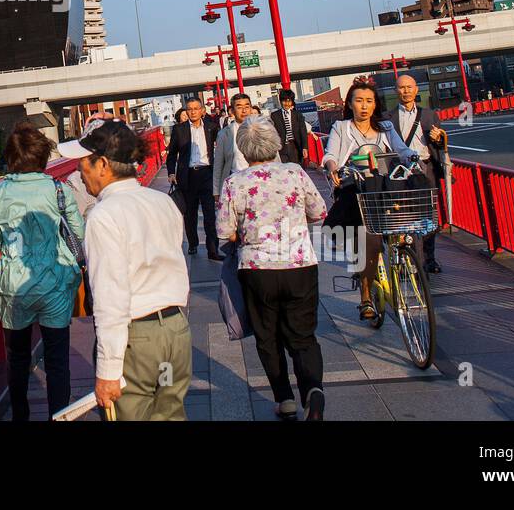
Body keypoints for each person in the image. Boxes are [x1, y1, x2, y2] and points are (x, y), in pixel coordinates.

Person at [62, 121, 191, 421]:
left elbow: (110, 297)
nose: (80, 172)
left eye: (84, 163)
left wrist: (107, 371)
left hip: (137, 343)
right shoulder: (162, 202)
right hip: (173, 335)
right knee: (170, 411)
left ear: (103, 164)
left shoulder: (103, 216)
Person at [217, 116, 328, 420]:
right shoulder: (294, 173)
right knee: (303, 336)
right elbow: (319, 211)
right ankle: (312, 391)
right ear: (276, 143)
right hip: (300, 264)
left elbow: (224, 230)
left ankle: (285, 399)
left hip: (257, 269)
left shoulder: (234, 183)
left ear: (243, 148)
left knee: (268, 336)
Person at [0, 122, 84, 421]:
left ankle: (21, 417)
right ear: (42, 157)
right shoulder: (58, 189)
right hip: (53, 281)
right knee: (57, 359)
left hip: (13, 285)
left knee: (17, 358)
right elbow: (78, 232)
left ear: (10, 158)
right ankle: (60, 416)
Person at [321, 78, 417, 321]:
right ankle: (365, 295)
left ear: (375, 105)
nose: (364, 106)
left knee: (405, 224)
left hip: (384, 187)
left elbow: (401, 149)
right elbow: (331, 154)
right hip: (356, 189)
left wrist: (412, 157)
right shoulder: (341, 128)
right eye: (359, 101)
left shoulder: (385, 127)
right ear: (350, 104)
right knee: (371, 242)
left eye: (369, 101)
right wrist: (332, 165)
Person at [392, 74, 449, 273]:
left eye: (409, 87)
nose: (405, 91)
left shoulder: (429, 115)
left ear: (416, 90)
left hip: (426, 169)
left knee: (428, 217)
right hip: (401, 171)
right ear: (395, 91)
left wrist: (438, 139)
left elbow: (440, 145)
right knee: (402, 216)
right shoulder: (388, 118)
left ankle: (429, 259)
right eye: (401, 87)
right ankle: (407, 259)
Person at [165, 98, 221, 260]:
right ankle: (193, 243)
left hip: (207, 174)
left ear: (202, 110)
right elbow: (171, 155)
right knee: (190, 215)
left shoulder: (212, 127)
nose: (193, 111)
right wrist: (171, 172)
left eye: (196, 108)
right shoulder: (179, 129)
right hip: (187, 176)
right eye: (190, 109)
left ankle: (213, 250)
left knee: (210, 214)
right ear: (186, 111)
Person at [212, 93, 255, 193]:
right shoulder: (224, 134)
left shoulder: (261, 129)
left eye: (247, 107)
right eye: (239, 107)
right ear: (232, 111)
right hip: (236, 184)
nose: (244, 111)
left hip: (259, 181)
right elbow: (218, 164)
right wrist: (216, 190)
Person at [270, 88, 311, 166]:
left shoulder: (297, 115)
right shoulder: (274, 115)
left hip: (295, 147)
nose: (287, 103)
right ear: (280, 101)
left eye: (289, 101)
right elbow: (272, 132)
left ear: (292, 102)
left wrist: (305, 147)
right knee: (285, 170)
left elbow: (303, 131)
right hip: (282, 148)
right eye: (284, 101)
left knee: (297, 169)